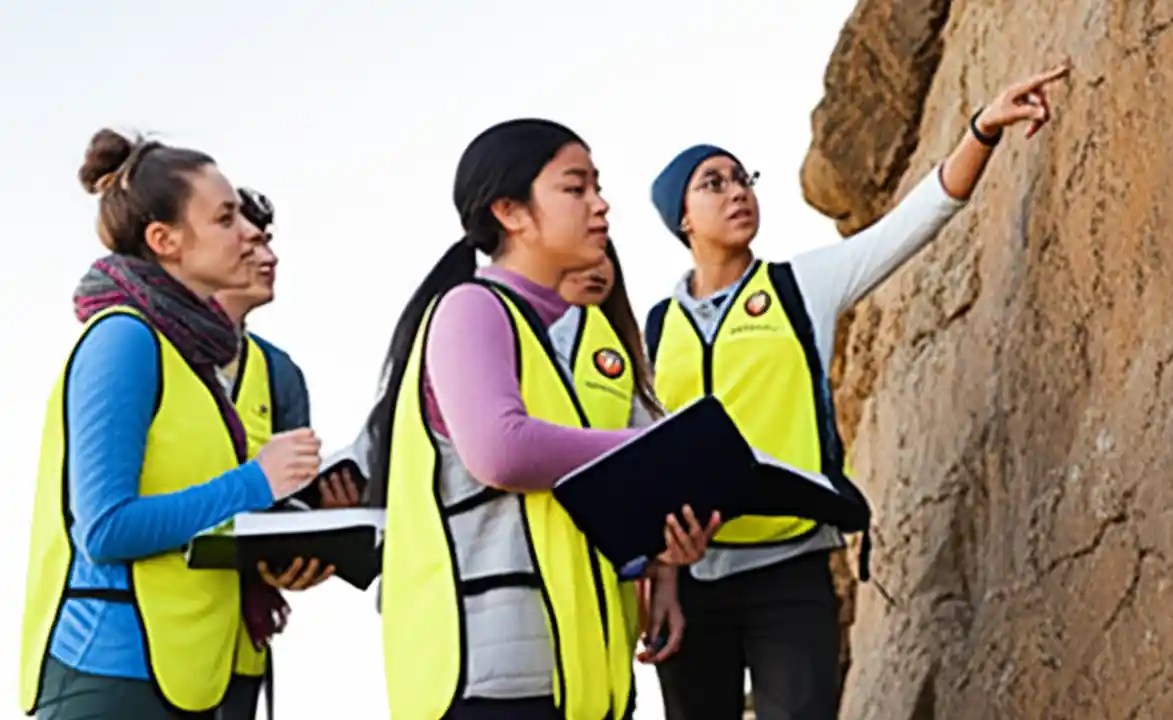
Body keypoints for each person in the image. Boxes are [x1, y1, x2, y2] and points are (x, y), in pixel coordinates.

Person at [643, 64, 1071, 719]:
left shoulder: (801, 286)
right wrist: (663, 577)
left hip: (792, 573)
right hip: (696, 582)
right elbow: (649, 465)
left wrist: (983, 127)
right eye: (714, 183)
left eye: (742, 178)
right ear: (682, 218)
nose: (737, 192)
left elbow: (915, 223)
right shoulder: (653, 327)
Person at [370, 118, 721, 720]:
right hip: (489, 679)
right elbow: (502, 451)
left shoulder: (591, 339)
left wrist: (664, 555)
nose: (600, 204)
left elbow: (595, 490)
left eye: (598, 186)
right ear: (511, 211)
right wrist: (656, 450)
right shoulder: (470, 310)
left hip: (587, 678)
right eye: (575, 187)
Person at [19, 129, 322, 719]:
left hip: (192, 673)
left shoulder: (193, 353)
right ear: (165, 240)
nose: (251, 235)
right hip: (111, 675)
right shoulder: (124, 339)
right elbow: (106, 529)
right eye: (226, 218)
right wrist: (257, 482)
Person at [209, 187, 360, 717]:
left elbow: (288, 504)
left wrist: (324, 535)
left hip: (240, 649)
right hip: (144, 644)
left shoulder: (280, 373)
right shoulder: (141, 351)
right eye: (248, 243)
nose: (268, 257)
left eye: (268, 242)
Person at [552, 241, 681, 663]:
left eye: (604, 256)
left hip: (609, 593)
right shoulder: (494, 330)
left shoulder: (619, 358)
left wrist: (665, 577)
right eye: (580, 255)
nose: (595, 266)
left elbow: (659, 476)